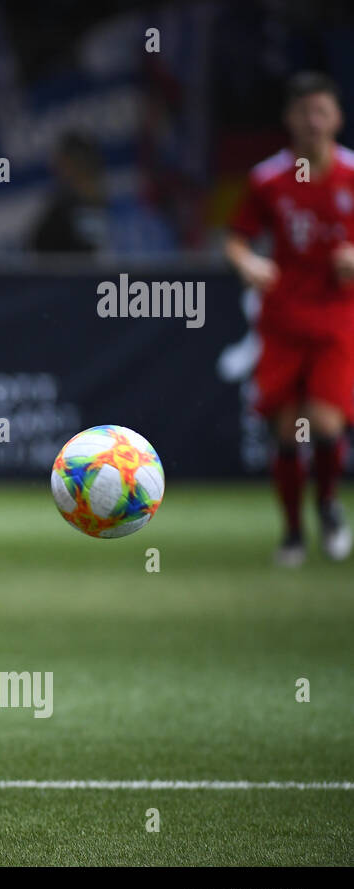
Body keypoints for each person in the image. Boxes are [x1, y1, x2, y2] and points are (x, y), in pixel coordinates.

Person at [226, 71, 354, 565]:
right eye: (304, 112)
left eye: (322, 111)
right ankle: (293, 532)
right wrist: (249, 262)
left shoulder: (350, 175)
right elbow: (236, 238)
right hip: (283, 318)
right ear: (289, 119)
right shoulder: (269, 179)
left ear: (337, 117)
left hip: (335, 318)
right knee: (286, 431)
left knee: (323, 423)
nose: (313, 121)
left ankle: (326, 504)